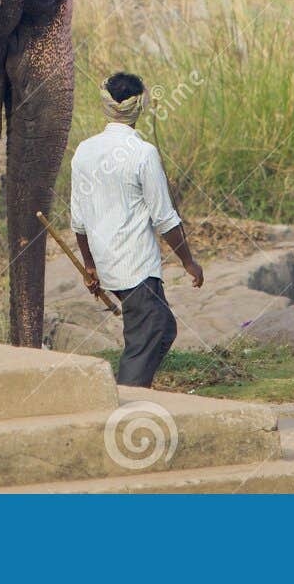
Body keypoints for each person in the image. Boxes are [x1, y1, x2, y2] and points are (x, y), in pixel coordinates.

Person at [69, 71, 203, 388]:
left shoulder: (84, 151)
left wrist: (90, 264)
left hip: (106, 261)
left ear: (107, 107)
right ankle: (125, 402)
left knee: (157, 325)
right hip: (135, 266)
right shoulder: (143, 153)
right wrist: (188, 261)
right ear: (140, 105)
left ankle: (132, 396)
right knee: (155, 327)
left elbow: (78, 220)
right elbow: (165, 218)